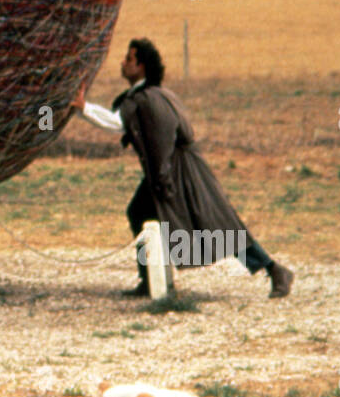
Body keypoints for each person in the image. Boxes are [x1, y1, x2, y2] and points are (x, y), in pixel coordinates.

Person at [73, 38, 294, 298]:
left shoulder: (147, 99)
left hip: (180, 172)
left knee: (217, 224)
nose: (123, 63)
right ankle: (149, 280)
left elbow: (117, 123)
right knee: (140, 212)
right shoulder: (152, 95)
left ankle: (274, 269)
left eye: (129, 59)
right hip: (172, 169)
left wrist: (83, 108)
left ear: (141, 66)